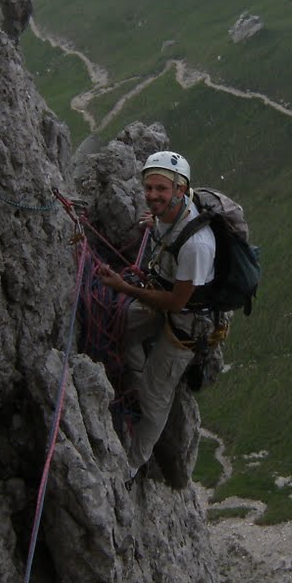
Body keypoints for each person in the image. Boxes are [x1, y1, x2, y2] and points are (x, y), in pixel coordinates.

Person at [95, 150, 216, 486]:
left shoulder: (197, 245)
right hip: (165, 300)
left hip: (185, 324)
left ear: (180, 189)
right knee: (122, 326)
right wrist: (156, 224)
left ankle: (132, 464)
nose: (152, 196)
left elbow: (177, 302)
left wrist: (123, 287)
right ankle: (133, 379)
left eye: (161, 189)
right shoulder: (169, 214)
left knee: (154, 398)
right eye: (149, 188)